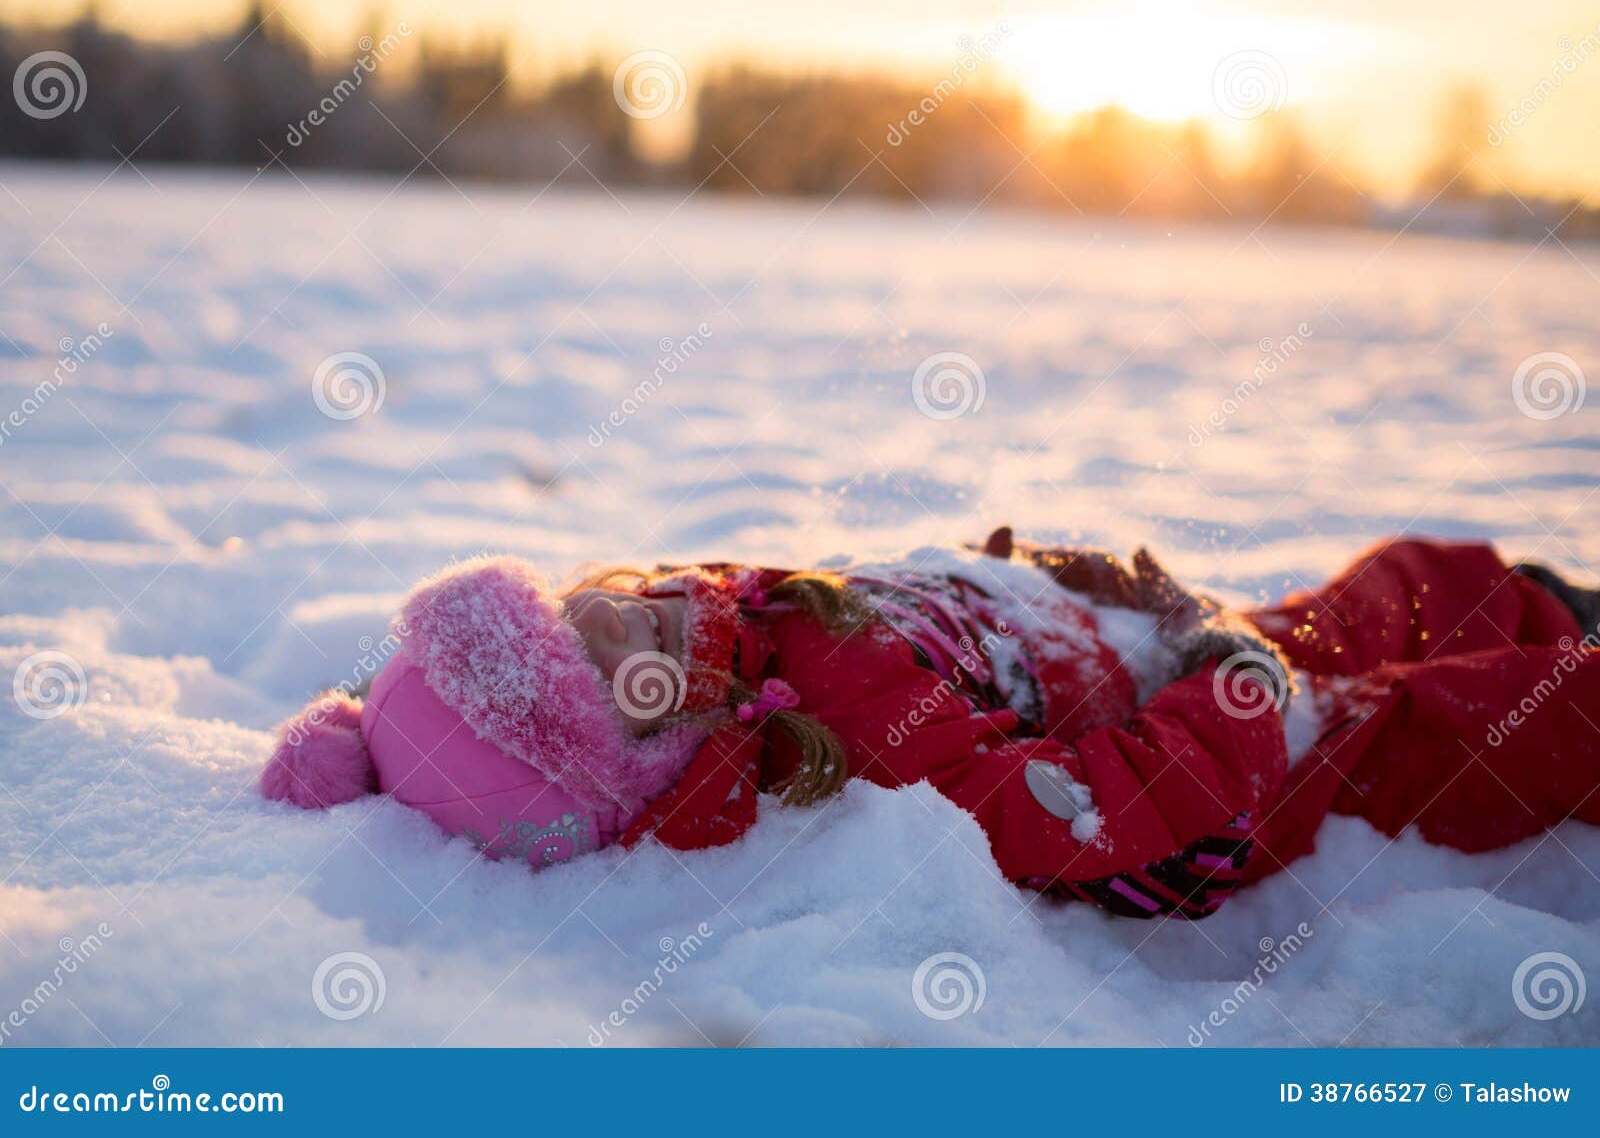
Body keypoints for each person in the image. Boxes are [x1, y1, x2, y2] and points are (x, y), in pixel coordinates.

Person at [258, 530, 1600, 919]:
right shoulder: (830, 734)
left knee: (1405, 584)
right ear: (648, 757)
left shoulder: (741, 625)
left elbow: (885, 626)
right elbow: (1082, 818)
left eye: (574, 610)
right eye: (602, 675)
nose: (623, 621)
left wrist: (990, 591)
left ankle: (1541, 598)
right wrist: (1229, 666)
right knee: (1454, 722)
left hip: (1138, 653)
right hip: (1235, 770)